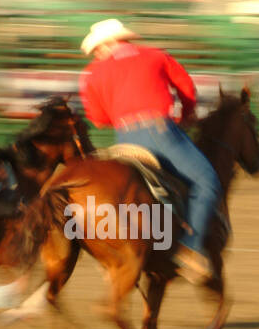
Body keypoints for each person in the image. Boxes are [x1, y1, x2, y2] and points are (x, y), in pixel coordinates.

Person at [78, 18, 221, 284]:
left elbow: (97, 118)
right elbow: (187, 88)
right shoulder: (156, 56)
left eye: (98, 48)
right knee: (206, 181)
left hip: (123, 137)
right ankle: (190, 248)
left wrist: (122, 112)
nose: (97, 54)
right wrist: (187, 114)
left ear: (111, 43)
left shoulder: (92, 73)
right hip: (159, 132)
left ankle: (110, 251)